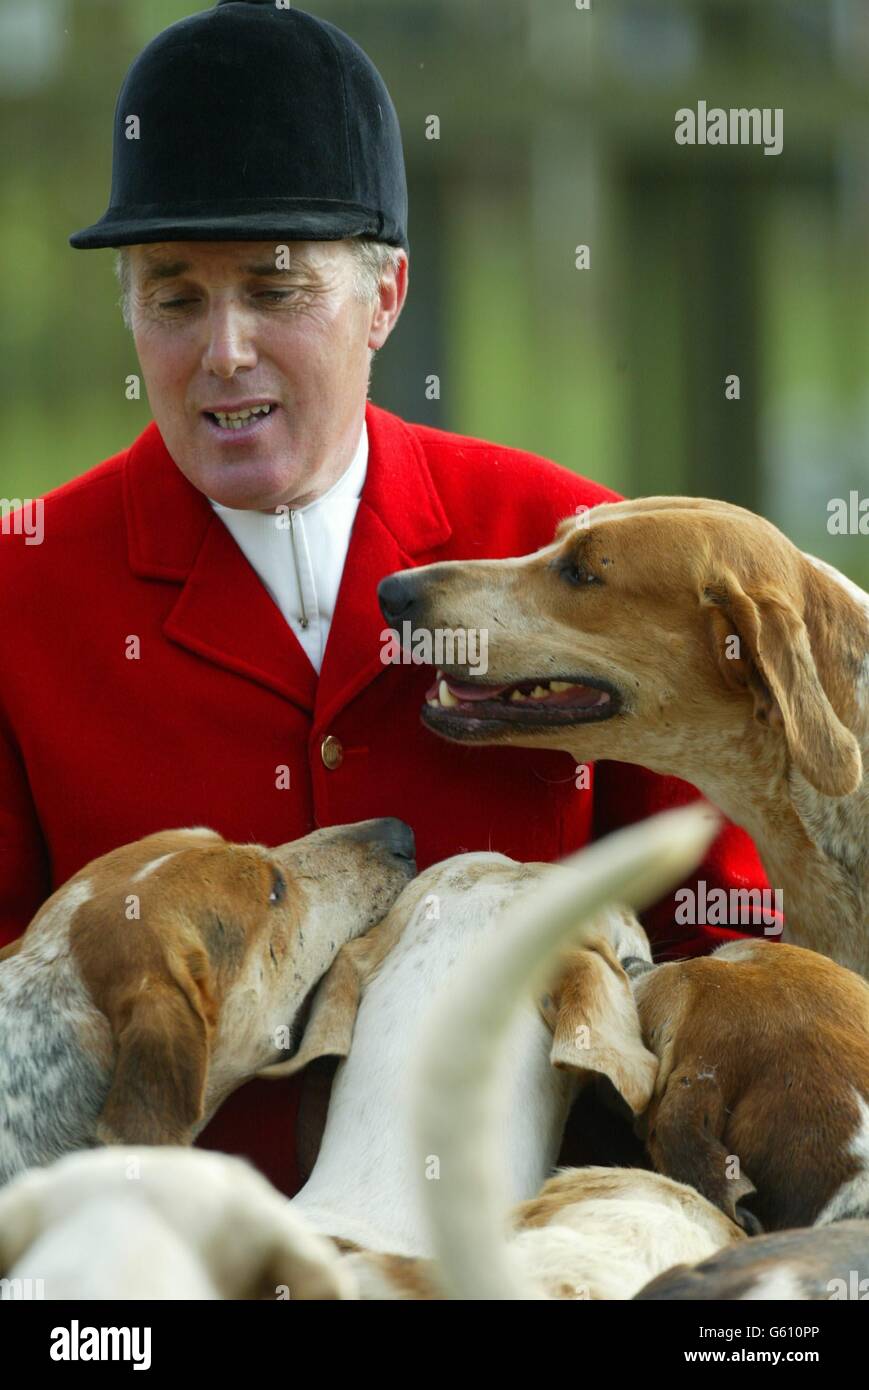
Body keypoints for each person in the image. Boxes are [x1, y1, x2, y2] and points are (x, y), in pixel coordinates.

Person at [0, 0, 775, 1197]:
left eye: (274, 288)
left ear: (386, 296)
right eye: (172, 296)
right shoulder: (20, 587)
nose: (224, 351)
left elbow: (727, 946)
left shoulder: (571, 549)